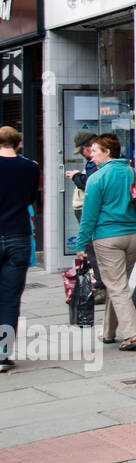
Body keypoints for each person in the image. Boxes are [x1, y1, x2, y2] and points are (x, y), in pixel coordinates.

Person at [75, 133, 136, 351]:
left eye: (95, 151)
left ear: (107, 152)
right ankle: (109, 332)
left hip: (108, 238)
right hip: (134, 236)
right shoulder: (134, 174)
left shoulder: (97, 179)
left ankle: (132, 334)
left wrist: (80, 245)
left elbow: (89, 216)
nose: (91, 155)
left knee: (117, 286)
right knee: (117, 284)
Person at [0, 126, 40, 372]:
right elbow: (29, 199)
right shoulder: (31, 167)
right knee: (10, 299)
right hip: (18, 236)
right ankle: (3, 355)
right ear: (19, 143)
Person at [65, 130, 98, 225]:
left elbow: (89, 183)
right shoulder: (94, 162)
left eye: (82, 150)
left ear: (91, 145)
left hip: (91, 209)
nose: (82, 154)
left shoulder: (101, 162)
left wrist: (76, 176)